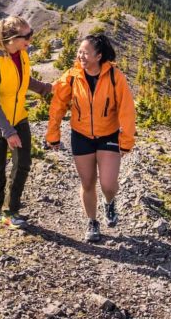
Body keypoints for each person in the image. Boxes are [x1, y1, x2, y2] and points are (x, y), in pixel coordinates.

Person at [46, 32, 135, 243]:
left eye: (85, 53)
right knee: (87, 183)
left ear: (99, 56)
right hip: (81, 135)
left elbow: (127, 110)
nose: (80, 56)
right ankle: (92, 222)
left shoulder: (115, 77)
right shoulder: (72, 76)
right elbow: (58, 104)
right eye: (79, 52)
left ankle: (110, 201)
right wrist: (53, 134)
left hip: (108, 135)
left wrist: (127, 140)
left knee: (108, 184)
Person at [0, 16, 51, 228]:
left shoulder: (21, 54)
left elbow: (24, 80)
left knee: (23, 163)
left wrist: (47, 88)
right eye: (26, 36)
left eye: (31, 33)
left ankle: (11, 210)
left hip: (18, 116)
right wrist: (8, 132)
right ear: (11, 38)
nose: (31, 39)